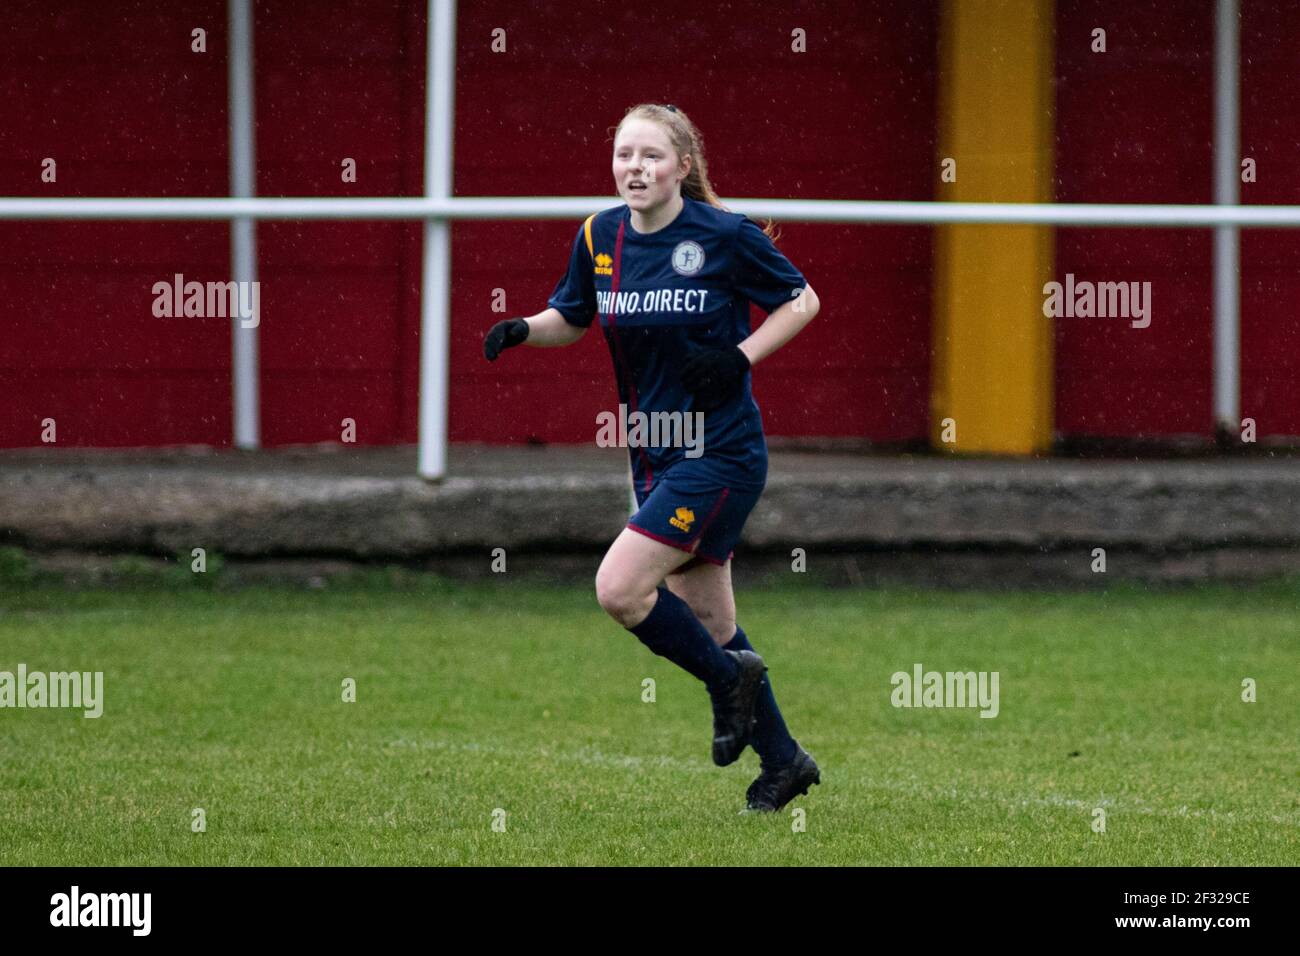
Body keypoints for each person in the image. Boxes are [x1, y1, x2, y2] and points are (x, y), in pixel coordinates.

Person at [483, 103, 821, 813]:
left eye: (651, 156)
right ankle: (784, 761)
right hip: (653, 453)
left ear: (682, 167)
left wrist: (738, 357)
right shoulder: (599, 233)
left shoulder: (724, 235)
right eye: (624, 155)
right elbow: (572, 317)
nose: (634, 168)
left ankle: (727, 682)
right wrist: (521, 330)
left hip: (720, 452)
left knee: (620, 588)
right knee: (714, 625)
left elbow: (801, 300)